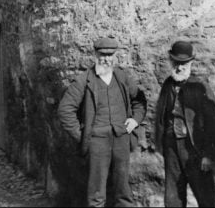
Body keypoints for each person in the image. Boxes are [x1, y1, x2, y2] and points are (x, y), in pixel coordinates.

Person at [57, 37, 147, 207]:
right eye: (102, 54)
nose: (106, 59)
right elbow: (65, 110)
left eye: (110, 55)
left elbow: (139, 101)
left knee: (123, 189)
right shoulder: (84, 80)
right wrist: (83, 136)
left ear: (115, 56)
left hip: (121, 138)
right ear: (95, 54)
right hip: (97, 141)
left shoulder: (122, 77)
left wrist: (135, 120)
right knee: (97, 192)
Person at [154, 41, 215, 207]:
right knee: (173, 197)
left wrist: (208, 154)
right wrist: (161, 145)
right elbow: (160, 117)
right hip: (171, 147)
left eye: (184, 63)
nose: (179, 67)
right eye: (176, 63)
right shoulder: (167, 85)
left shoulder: (201, 87)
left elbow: (213, 124)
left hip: (194, 148)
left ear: (191, 63)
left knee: (204, 195)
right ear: (171, 62)